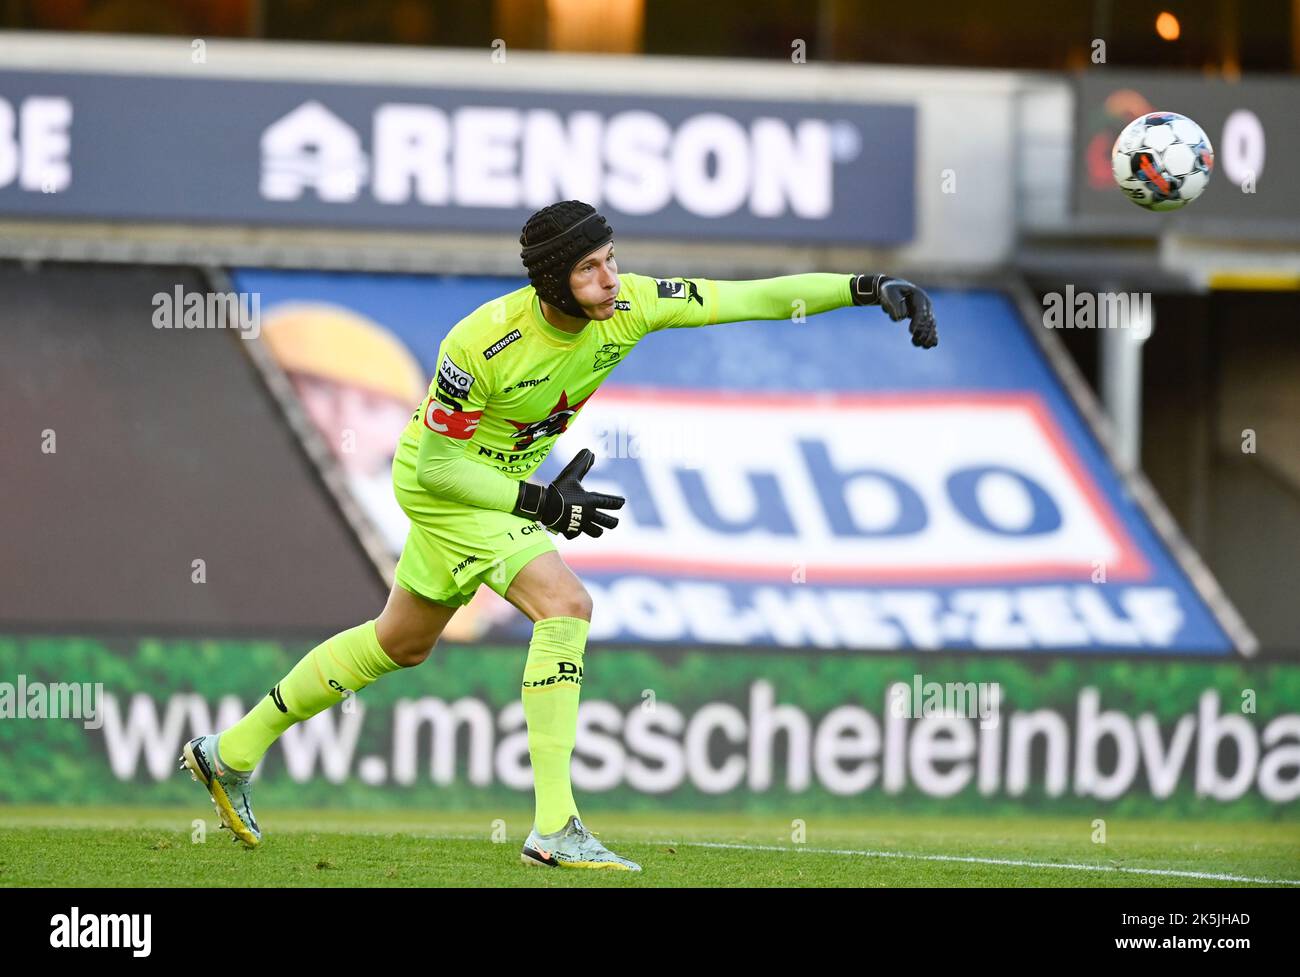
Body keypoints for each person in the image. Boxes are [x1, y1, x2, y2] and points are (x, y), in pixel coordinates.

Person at [181, 199, 938, 872]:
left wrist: (864, 288)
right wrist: (537, 501)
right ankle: (554, 826)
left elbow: (749, 298)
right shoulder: (482, 342)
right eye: (591, 268)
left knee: (401, 642)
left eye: (612, 260)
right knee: (566, 605)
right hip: (448, 483)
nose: (612, 279)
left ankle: (230, 751)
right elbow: (440, 467)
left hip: (499, 484)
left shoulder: (633, 303)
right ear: (552, 281)